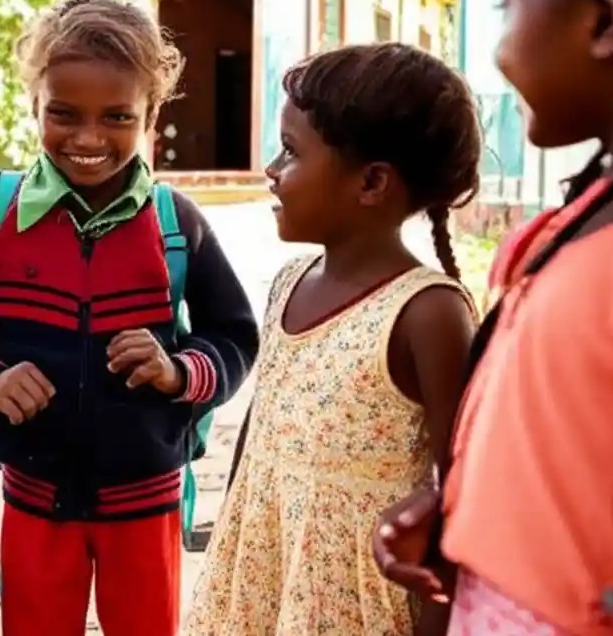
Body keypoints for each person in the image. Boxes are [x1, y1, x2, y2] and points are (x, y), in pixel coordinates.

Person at [372, 0, 613, 634]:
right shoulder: (585, 215)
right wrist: (469, 509)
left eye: (506, 4)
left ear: (606, 18)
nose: (496, 48)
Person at [0, 0, 259, 636]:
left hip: (148, 502)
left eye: (116, 117)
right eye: (64, 114)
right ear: (34, 107)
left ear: (151, 115)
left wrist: (178, 371)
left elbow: (234, 336)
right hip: (34, 498)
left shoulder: (175, 223)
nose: (88, 137)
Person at [184, 43, 481, 636]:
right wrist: (230, 535)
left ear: (372, 182)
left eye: (291, 152)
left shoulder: (427, 312)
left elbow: (466, 491)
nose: (270, 169)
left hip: (354, 599)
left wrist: (439, 621)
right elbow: (260, 426)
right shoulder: (289, 283)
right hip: (259, 574)